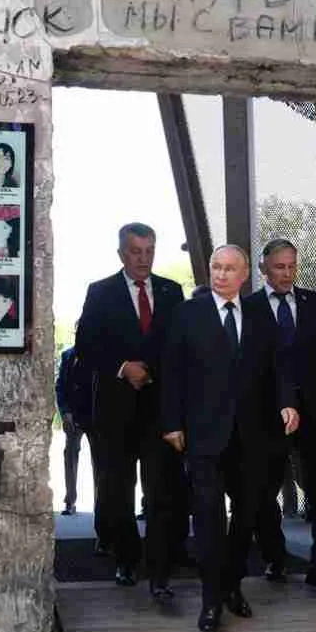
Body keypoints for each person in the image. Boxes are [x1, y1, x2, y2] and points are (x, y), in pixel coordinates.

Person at [160, 244, 300, 632]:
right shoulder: (187, 314)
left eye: (229, 269)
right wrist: (172, 423)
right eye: (216, 268)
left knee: (247, 518)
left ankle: (231, 586)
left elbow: (279, 364)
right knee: (207, 519)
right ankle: (210, 602)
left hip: (252, 436)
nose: (221, 275)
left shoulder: (259, 314)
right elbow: (172, 371)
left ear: (244, 276)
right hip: (204, 437)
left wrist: (287, 403)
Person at [75, 222, 186, 594]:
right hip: (115, 410)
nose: (144, 259)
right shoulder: (101, 292)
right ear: (122, 253)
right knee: (117, 489)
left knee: (161, 490)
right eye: (136, 251)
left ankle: (159, 568)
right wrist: (123, 368)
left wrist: (153, 372)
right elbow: (86, 347)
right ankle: (126, 558)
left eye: (150, 251)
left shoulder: (172, 291)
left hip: (160, 409)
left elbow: (181, 345)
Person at [246, 238, 316, 595]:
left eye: (293, 266)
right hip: (267, 415)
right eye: (280, 267)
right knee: (263, 492)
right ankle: (275, 556)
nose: (288, 274)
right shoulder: (247, 309)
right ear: (263, 267)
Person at [55, 322, 95, 516]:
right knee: (70, 457)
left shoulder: (100, 356)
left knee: (101, 462)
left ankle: (101, 504)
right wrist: (65, 412)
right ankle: (70, 501)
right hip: (73, 417)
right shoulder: (67, 356)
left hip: (96, 417)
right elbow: (60, 386)